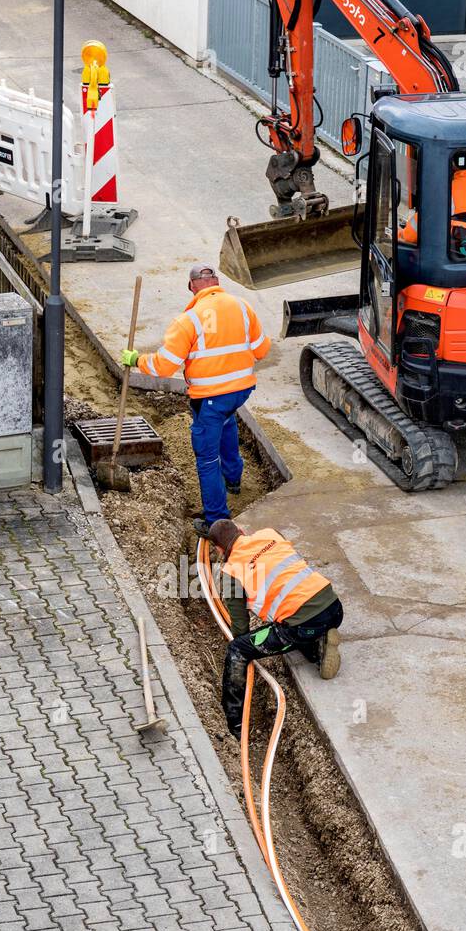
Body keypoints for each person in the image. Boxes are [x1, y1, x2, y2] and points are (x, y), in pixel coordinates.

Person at [121, 266, 271, 536]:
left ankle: (215, 519)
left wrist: (136, 360)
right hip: (241, 391)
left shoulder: (188, 320)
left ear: (192, 287)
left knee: (206, 456)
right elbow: (262, 349)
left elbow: (165, 366)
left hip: (212, 397)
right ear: (217, 283)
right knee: (227, 422)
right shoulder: (242, 307)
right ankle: (234, 478)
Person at [206, 519, 344, 738]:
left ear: (220, 549)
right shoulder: (270, 533)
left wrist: (246, 642)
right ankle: (320, 644)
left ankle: (235, 724)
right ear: (242, 531)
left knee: (238, 649)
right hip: (333, 607)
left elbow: (240, 628)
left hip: (302, 623)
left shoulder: (231, 572)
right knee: (290, 622)